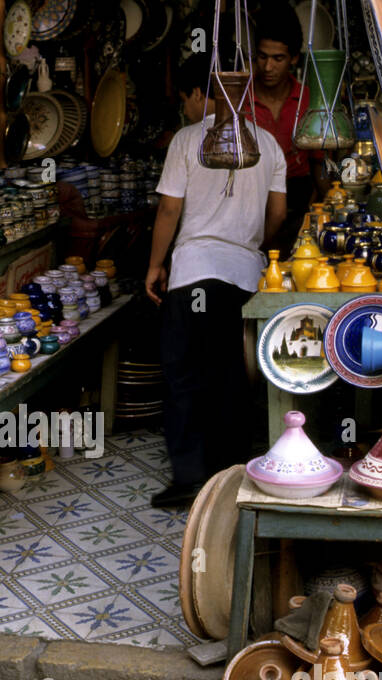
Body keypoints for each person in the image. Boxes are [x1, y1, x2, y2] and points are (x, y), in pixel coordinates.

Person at [146, 54, 288, 509]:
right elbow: (279, 213)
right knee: (232, 375)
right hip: (244, 279)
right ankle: (231, 478)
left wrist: (155, 264)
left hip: (193, 277)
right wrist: (247, 244)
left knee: (185, 376)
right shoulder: (267, 144)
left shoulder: (188, 141)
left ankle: (190, 478)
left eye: (188, 96)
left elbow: (169, 209)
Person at [245, 7, 328, 252]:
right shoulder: (240, 100)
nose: (268, 67)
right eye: (262, 57)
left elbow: (318, 164)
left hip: (297, 202)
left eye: (277, 59)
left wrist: (329, 205)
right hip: (250, 199)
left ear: (293, 58)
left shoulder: (308, 100)